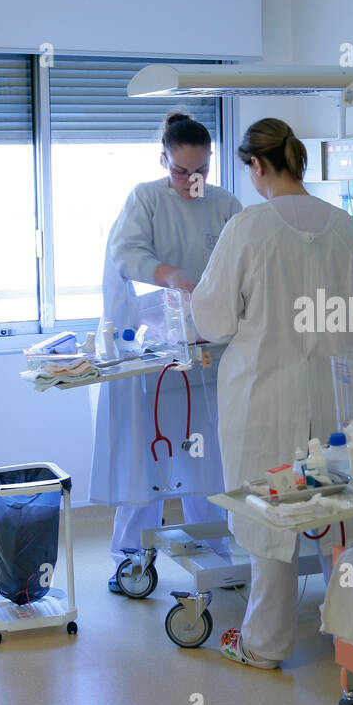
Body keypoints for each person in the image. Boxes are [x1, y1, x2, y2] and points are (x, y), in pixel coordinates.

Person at [191, 117, 353, 669]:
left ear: (256, 165)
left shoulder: (249, 229)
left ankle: (265, 644)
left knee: (268, 517)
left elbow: (214, 318)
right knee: (341, 515)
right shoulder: (344, 227)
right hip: (339, 399)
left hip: (265, 398)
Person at [89, 110, 241, 588]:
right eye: (181, 171)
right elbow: (125, 254)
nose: (192, 181)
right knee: (148, 458)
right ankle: (130, 557)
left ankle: (218, 549)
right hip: (153, 354)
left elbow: (244, 263)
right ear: (163, 160)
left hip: (211, 353)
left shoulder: (227, 204)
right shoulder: (146, 199)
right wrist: (168, 274)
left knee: (207, 456)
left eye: (201, 171)